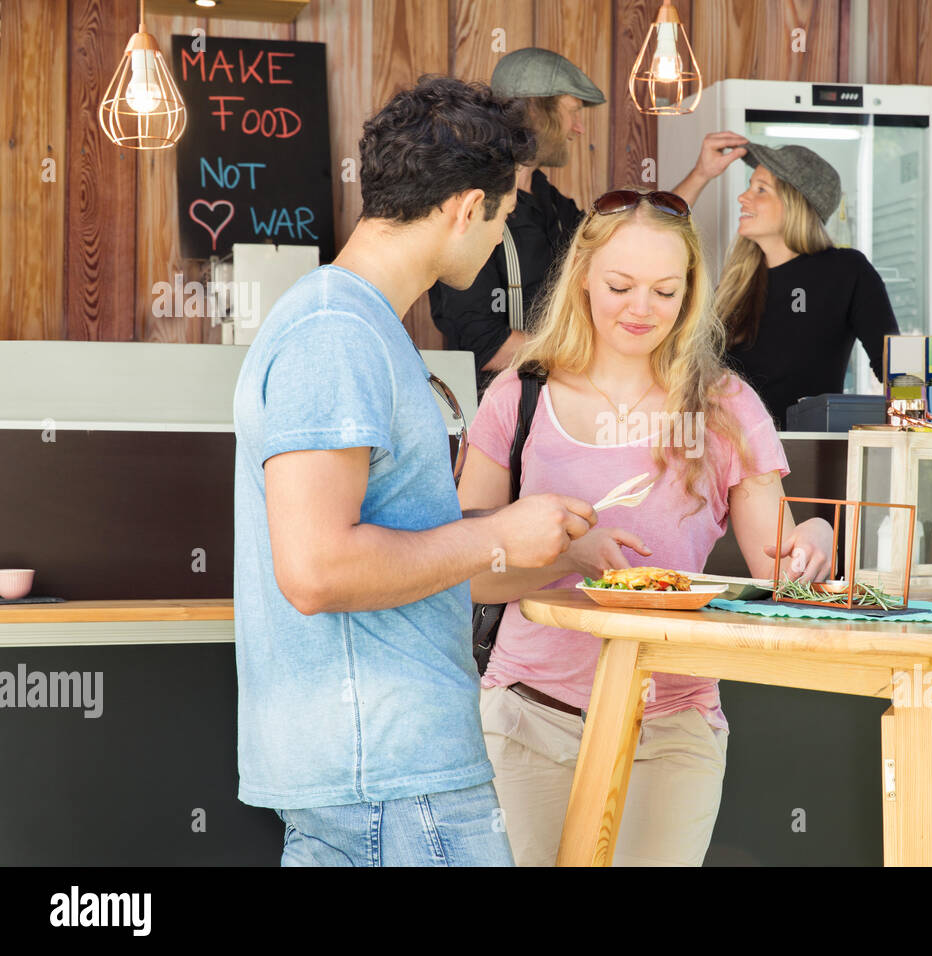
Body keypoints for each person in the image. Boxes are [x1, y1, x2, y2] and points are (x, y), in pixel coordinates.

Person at [231, 75, 597, 867]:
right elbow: (319, 569)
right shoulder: (338, 333)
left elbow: (396, 548)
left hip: (369, 774)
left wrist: (529, 552)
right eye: (501, 218)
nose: (501, 238)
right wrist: (496, 532)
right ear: (467, 208)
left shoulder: (358, 325)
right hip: (394, 775)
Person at [456, 188, 837, 866]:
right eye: (621, 286)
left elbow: (782, 564)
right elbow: (469, 570)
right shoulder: (520, 396)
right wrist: (573, 553)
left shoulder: (726, 406)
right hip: (529, 717)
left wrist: (817, 543)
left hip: (673, 724)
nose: (641, 309)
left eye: (665, 292)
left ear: (691, 293)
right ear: (582, 278)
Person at [673, 135, 900, 428]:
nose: (744, 197)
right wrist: (701, 174)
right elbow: (655, 233)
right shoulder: (737, 282)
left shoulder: (846, 271)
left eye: (761, 190)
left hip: (806, 457)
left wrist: (916, 436)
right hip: (731, 457)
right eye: (749, 186)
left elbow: (897, 369)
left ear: (795, 204)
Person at [429, 48, 606, 395]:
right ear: (536, 110)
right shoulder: (470, 204)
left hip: (555, 409)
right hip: (498, 419)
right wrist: (588, 360)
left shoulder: (551, 202)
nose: (579, 128)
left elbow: (621, 242)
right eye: (573, 111)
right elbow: (485, 344)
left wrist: (701, 174)